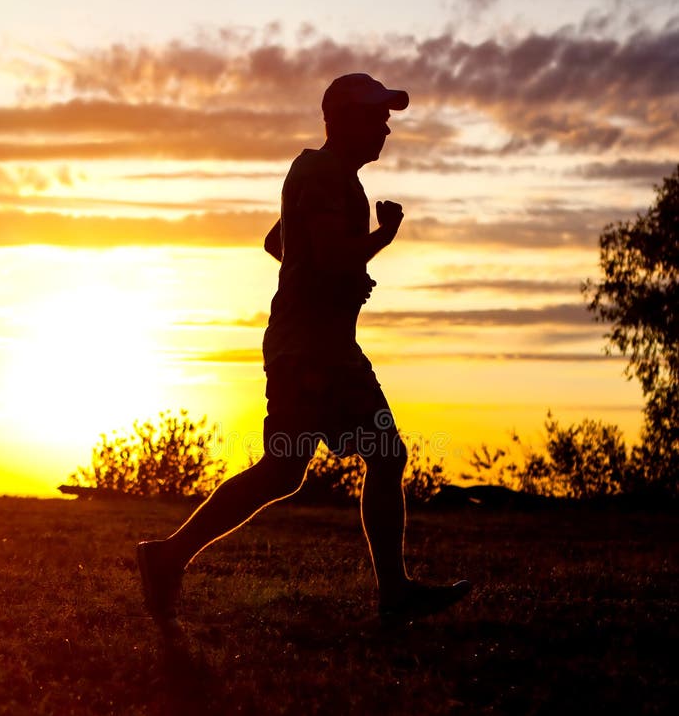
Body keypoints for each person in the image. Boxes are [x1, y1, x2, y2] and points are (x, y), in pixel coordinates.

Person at [137, 73, 471, 627]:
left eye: (387, 115)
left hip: (319, 344)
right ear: (340, 118)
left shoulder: (331, 178)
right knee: (358, 458)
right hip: (312, 349)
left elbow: (280, 243)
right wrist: (379, 241)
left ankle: (167, 557)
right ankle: (394, 594)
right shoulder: (320, 173)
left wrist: (327, 274)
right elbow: (328, 258)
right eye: (375, 114)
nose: (386, 125)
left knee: (294, 468)